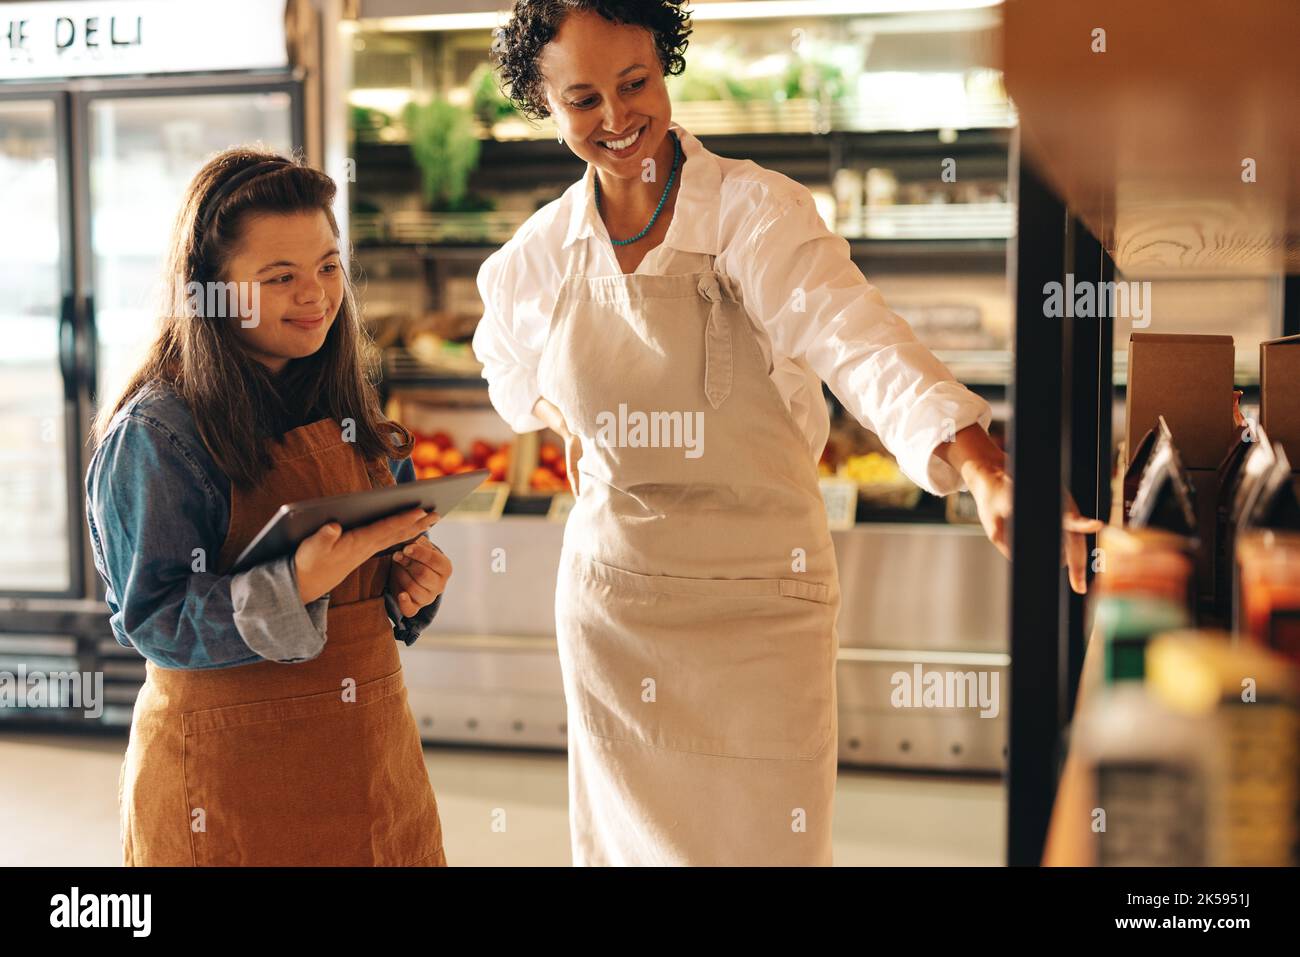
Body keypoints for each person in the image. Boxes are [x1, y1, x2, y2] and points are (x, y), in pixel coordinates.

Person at [474, 1, 1101, 866]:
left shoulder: (751, 210)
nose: (618, 120)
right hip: (616, 614)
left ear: (665, 65)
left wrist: (983, 464)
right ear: (543, 105)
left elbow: (855, 337)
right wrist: (557, 415)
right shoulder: (535, 257)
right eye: (583, 100)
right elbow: (505, 370)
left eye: (635, 83)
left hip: (761, 611)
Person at [86, 148, 453, 866]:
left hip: (373, 771)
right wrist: (294, 585)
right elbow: (154, 619)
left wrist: (412, 589)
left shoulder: (349, 402)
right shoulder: (159, 432)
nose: (315, 293)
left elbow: (381, 585)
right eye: (278, 277)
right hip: (223, 793)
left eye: (327, 265)